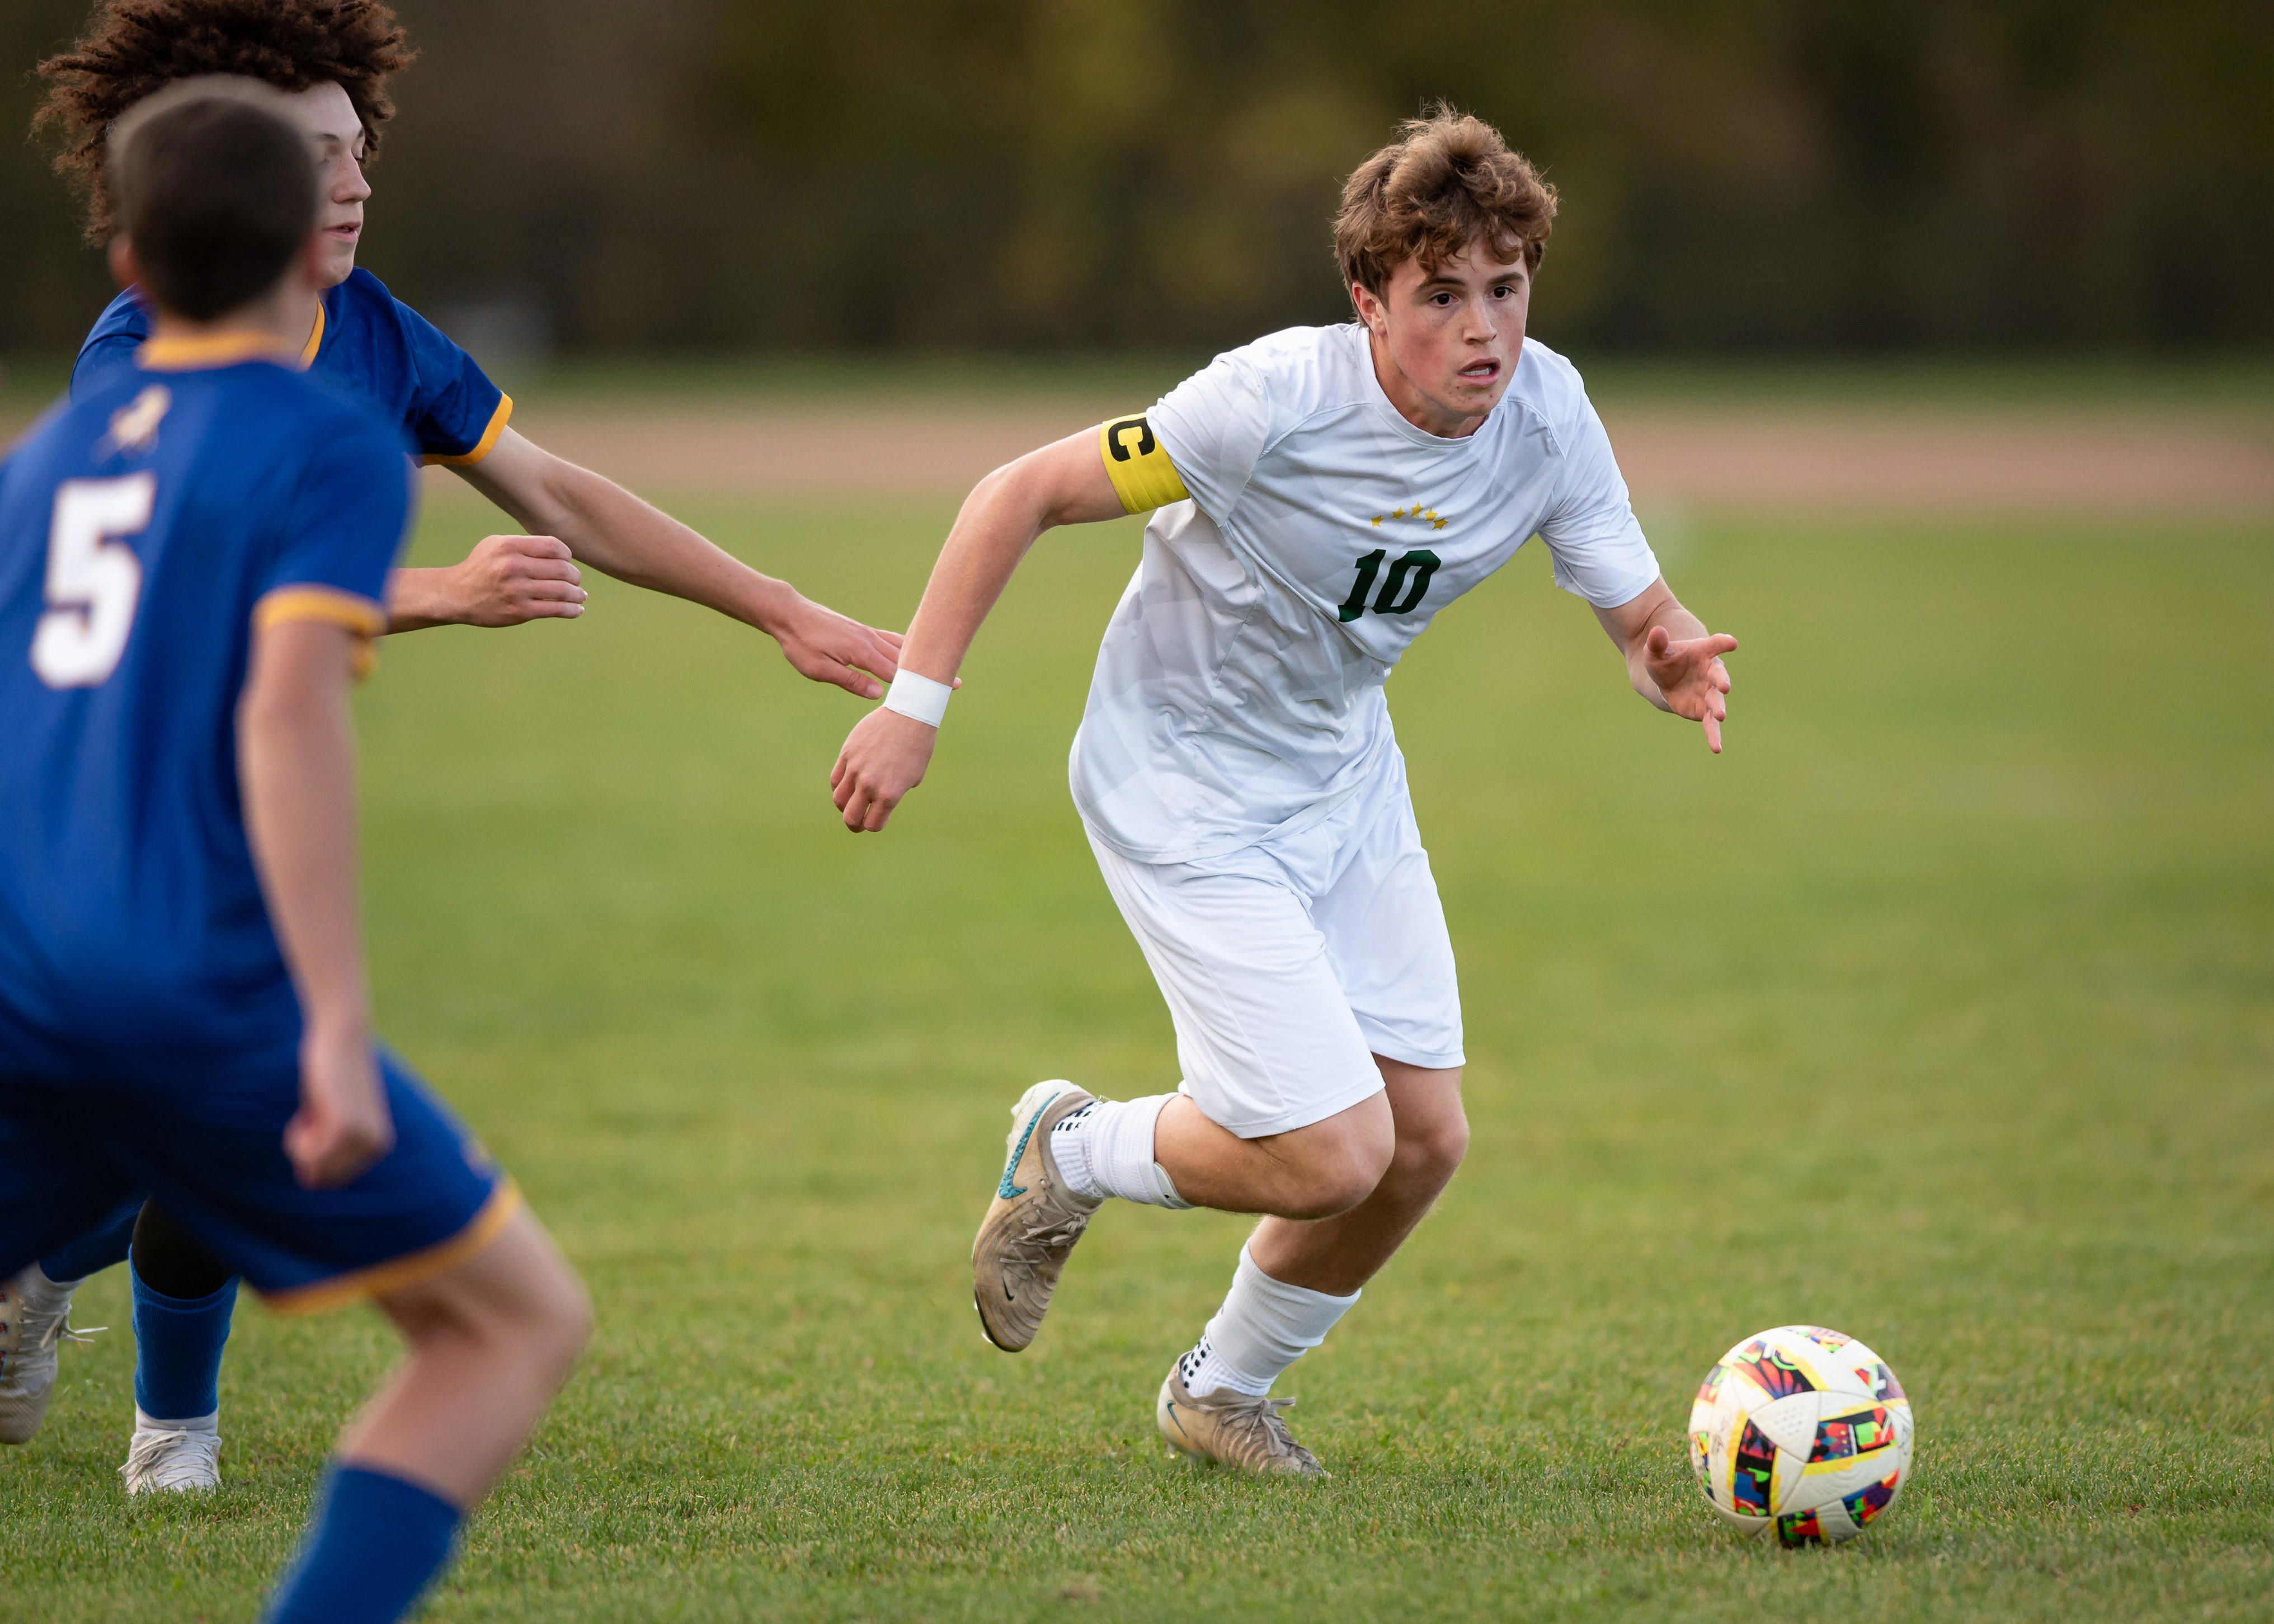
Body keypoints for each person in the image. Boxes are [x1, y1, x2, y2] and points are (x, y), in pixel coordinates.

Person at [2, 0, 901, 1493]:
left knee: (190, 1119)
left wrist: (775, 607)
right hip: (122, 809)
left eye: (360, 148)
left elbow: (561, 492)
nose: (351, 183)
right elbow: (190, 599)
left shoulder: (376, 337)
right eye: (314, 156)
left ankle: (151, 1411)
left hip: (193, 824)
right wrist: (444, 592)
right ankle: (158, 1410)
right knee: (247, 1118)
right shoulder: (150, 350)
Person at [830, 109, 1737, 1476]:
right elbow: (1013, 494)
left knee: (1420, 1146)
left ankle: (1221, 1390)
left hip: (1341, 779)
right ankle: (1072, 1147)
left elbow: (1638, 615)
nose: (1482, 328)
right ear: (1368, 303)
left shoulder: (1544, 415)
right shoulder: (1265, 405)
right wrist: (915, 706)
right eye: (1442, 295)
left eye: (1505, 287)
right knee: (1329, 1153)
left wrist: (1662, 658)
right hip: (1180, 783)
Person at [1, 80, 589, 1622]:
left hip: (19, 969)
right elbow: (286, 719)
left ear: (128, 265)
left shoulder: (47, 462)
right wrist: (331, 1022)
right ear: (299, 247)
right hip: (180, 974)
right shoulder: (317, 441)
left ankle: (113, 1362)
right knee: (513, 1324)